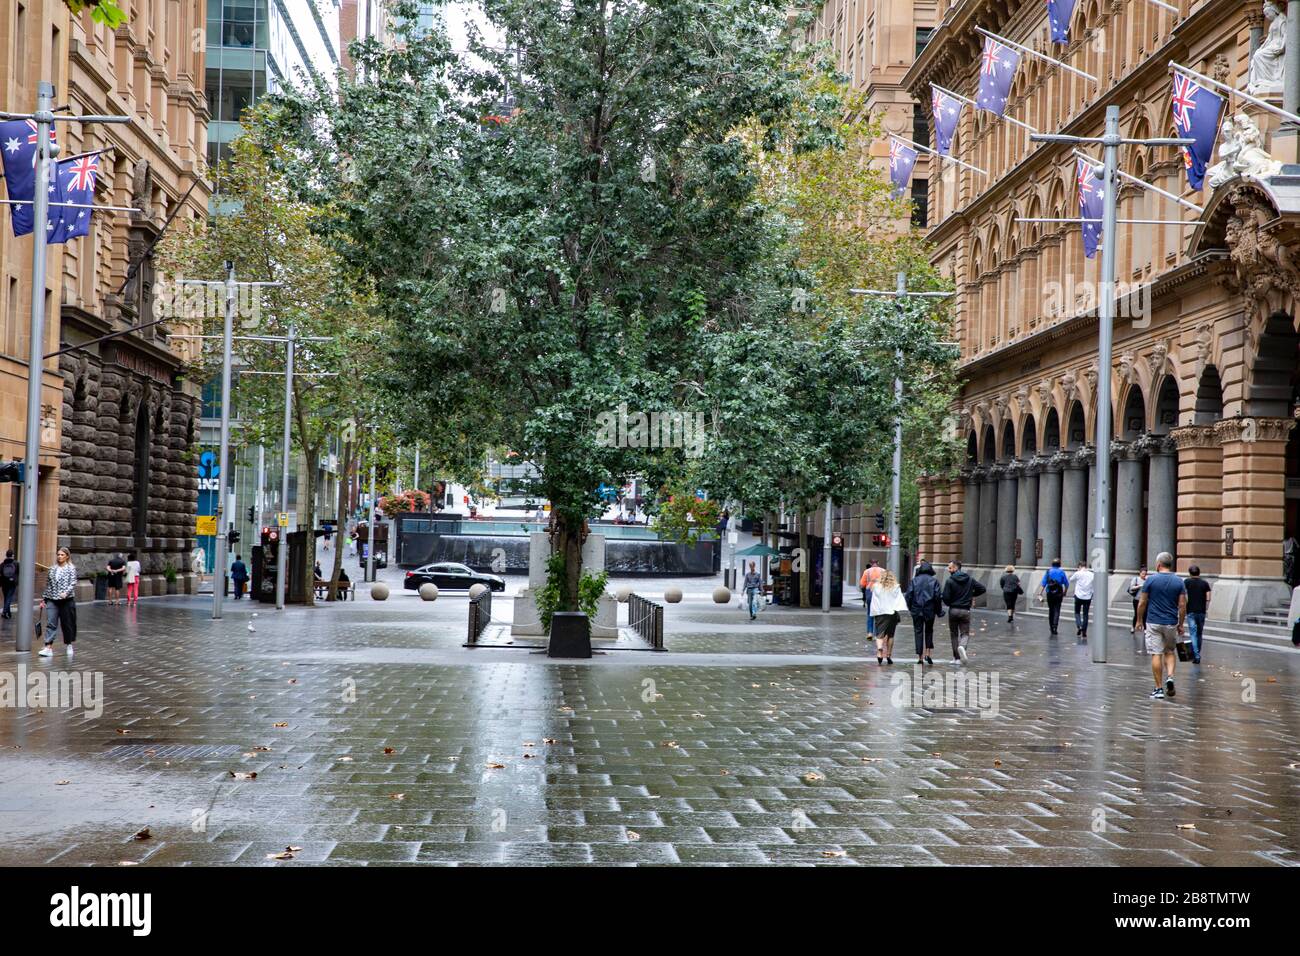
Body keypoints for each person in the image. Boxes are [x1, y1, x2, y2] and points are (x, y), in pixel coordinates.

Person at [1135, 552, 1186, 700]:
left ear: (1158, 565)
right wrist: (1181, 624)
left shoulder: (1150, 580)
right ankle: (1170, 677)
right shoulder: (1179, 581)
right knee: (1169, 651)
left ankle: (1158, 689)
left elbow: (1142, 602)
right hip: (1171, 622)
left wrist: (1139, 620)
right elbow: (1182, 605)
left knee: (1156, 653)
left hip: (1153, 621)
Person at [941, 560, 984, 664]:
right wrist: (971, 595)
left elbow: (945, 597)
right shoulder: (969, 579)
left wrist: (950, 602)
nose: (948, 569)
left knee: (954, 634)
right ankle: (962, 646)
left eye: (950, 567)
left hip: (954, 610)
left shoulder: (950, 581)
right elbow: (982, 589)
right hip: (965, 610)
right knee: (965, 633)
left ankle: (956, 659)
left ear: (956, 568)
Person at [38, 548, 78, 658]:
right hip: (52, 600)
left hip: (66, 600)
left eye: (62, 555)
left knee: (67, 623)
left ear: (67, 556)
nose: (59, 556)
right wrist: (44, 599)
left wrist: (66, 592)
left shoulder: (71, 568)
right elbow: (48, 585)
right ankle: (48, 647)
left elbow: (73, 582)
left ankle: (69, 644)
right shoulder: (52, 569)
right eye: (58, 554)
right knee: (51, 623)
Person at [905, 560, 941, 664]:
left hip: (916, 610)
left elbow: (908, 595)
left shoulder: (914, 581)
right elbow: (937, 597)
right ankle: (928, 653)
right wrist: (938, 610)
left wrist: (911, 608)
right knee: (929, 630)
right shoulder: (934, 581)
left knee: (918, 631)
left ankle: (920, 657)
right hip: (929, 610)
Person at [870, 570, 907, 665]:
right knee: (891, 635)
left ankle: (879, 650)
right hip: (892, 613)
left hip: (880, 613)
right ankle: (889, 655)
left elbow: (874, 600)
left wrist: (874, 612)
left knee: (879, 634)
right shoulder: (896, 587)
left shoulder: (876, 587)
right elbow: (899, 599)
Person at [1183, 565, 1211, 664]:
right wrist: (1205, 607)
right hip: (1201, 611)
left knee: (1193, 634)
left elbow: (1184, 596)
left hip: (1191, 611)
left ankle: (1197, 655)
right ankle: (1197, 653)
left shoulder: (1186, 582)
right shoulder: (1205, 583)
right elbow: (1208, 598)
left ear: (1190, 573)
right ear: (1199, 573)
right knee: (1199, 633)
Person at [1036, 559, 1069, 636]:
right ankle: (1055, 627)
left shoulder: (1048, 572)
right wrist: (1065, 592)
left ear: (1052, 564)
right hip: (1059, 594)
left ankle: (1051, 627)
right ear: (1059, 564)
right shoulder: (1061, 572)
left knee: (1051, 610)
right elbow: (1067, 584)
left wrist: (1039, 593)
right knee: (1057, 610)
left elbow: (1043, 584)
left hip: (1050, 593)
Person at [1070, 560, 1095, 639]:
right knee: (1085, 614)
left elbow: (1071, 580)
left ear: (1080, 566)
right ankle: (1084, 631)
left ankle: (1079, 626)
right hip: (1088, 596)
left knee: (1077, 612)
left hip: (1078, 595)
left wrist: (1078, 572)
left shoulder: (1078, 573)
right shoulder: (1091, 574)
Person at [861, 560, 882, 636]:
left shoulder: (867, 571)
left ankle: (870, 633)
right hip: (879, 593)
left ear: (871, 564)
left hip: (870, 592)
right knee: (878, 613)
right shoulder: (883, 571)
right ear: (878, 563)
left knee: (870, 612)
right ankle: (878, 634)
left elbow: (862, 584)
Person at [0, 549, 17, 619]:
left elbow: (0, 572)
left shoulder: (2, 564)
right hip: (12, 583)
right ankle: (4, 612)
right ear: (12, 555)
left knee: (6, 598)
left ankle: (8, 613)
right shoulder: (16, 563)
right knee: (9, 598)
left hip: (4, 583)